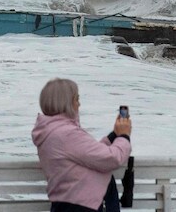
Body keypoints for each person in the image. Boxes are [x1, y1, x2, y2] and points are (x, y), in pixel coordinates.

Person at [32, 78, 132, 212]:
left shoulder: (52, 131)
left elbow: (89, 154)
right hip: (80, 207)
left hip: (66, 204)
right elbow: (112, 159)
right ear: (65, 103)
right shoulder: (66, 134)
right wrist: (124, 136)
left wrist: (114, 135)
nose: (79, 104)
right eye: (76, 99)